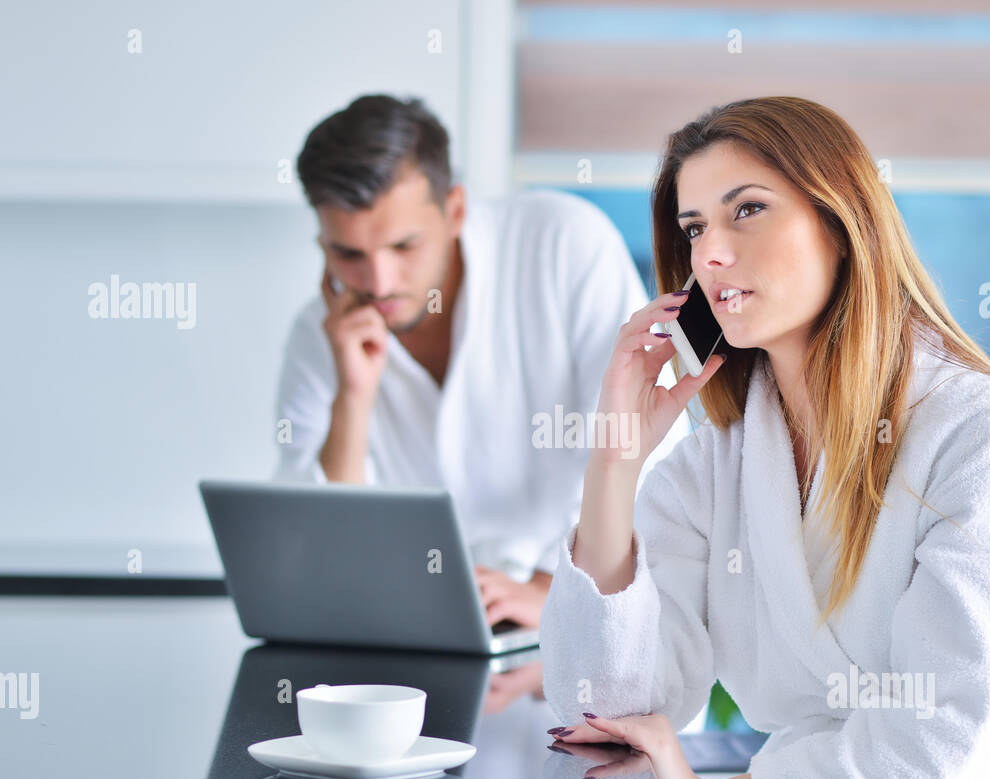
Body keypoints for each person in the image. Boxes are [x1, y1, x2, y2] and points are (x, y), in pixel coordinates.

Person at [539, 96, 990, 779]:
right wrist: (616, 459)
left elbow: (939, 730)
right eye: (693, 228)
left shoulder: (981, 435)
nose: (710, 253)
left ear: (842, 226)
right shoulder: (714, 468)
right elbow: (604, 705)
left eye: (745, 210)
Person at [273, 95, 687, 709]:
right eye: (349, 255)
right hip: (423, 665)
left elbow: (645, 444)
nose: (379, 282)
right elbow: (315, 550)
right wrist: (354, 399)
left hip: (590, 636)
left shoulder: (562, 244)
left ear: (456, 208)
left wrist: (552, 587)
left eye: (404, 246)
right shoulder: (321, 333)